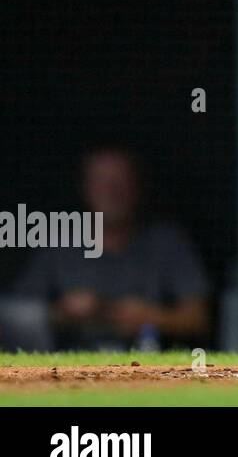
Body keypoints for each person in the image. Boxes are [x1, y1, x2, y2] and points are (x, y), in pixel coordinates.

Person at [13, 146, 211, 350]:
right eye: (101, 181)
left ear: (138, 186)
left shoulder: (167, 241)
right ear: (85, 188)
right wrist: (63, 312)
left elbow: (199, 319)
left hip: (150, 363)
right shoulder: (59, 244)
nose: (112, 190)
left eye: (121, 180)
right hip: (69, 368)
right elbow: (16, 317)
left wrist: (153, 317)